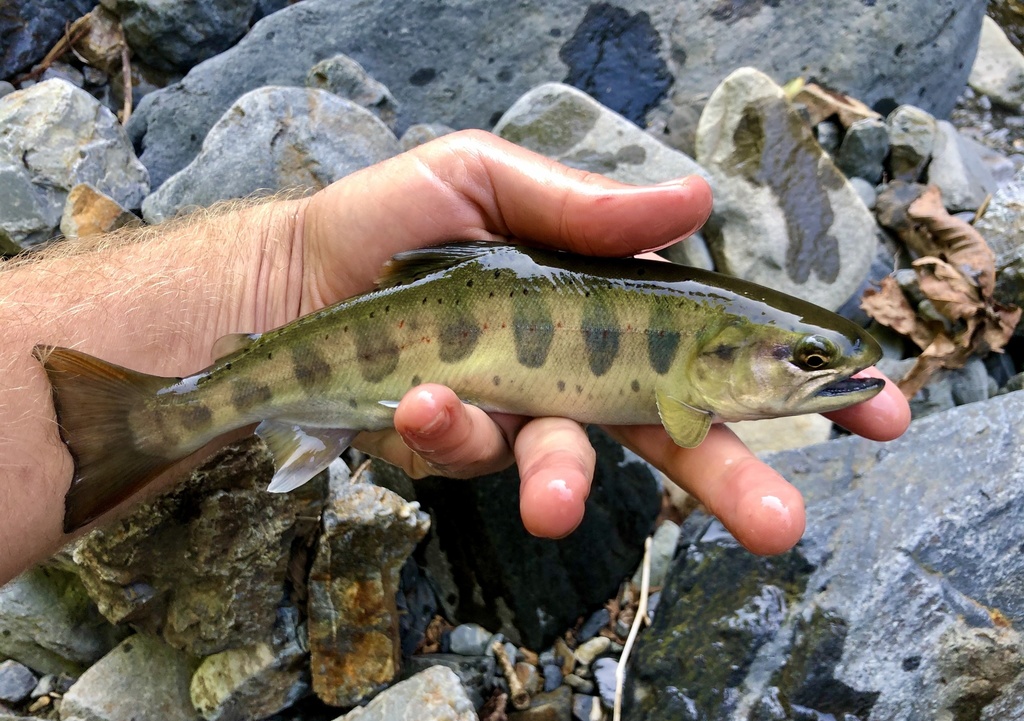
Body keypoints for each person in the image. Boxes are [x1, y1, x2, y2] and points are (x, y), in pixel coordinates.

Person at [0, 131, 909, 584]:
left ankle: (161, 415)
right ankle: (157, 416)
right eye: (805, 358)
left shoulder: (700, 361)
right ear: (720, 357)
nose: (820, 369)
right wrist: (290, 266)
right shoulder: (689, 377)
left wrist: (279, 273)